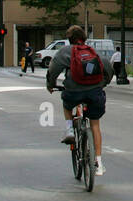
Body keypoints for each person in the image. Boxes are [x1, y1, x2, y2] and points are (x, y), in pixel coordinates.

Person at [46, 26, 114, 176]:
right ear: (84, 38)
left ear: (69, 40)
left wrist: (50, 85)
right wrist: (103, 83)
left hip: (74, 91)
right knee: (95, 124)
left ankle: (70, 129)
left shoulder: (66, 51)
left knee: (66, 104)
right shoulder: (91, 51)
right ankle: (99, 162)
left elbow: (53, 69)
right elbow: (107, 67)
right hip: (95, 92)